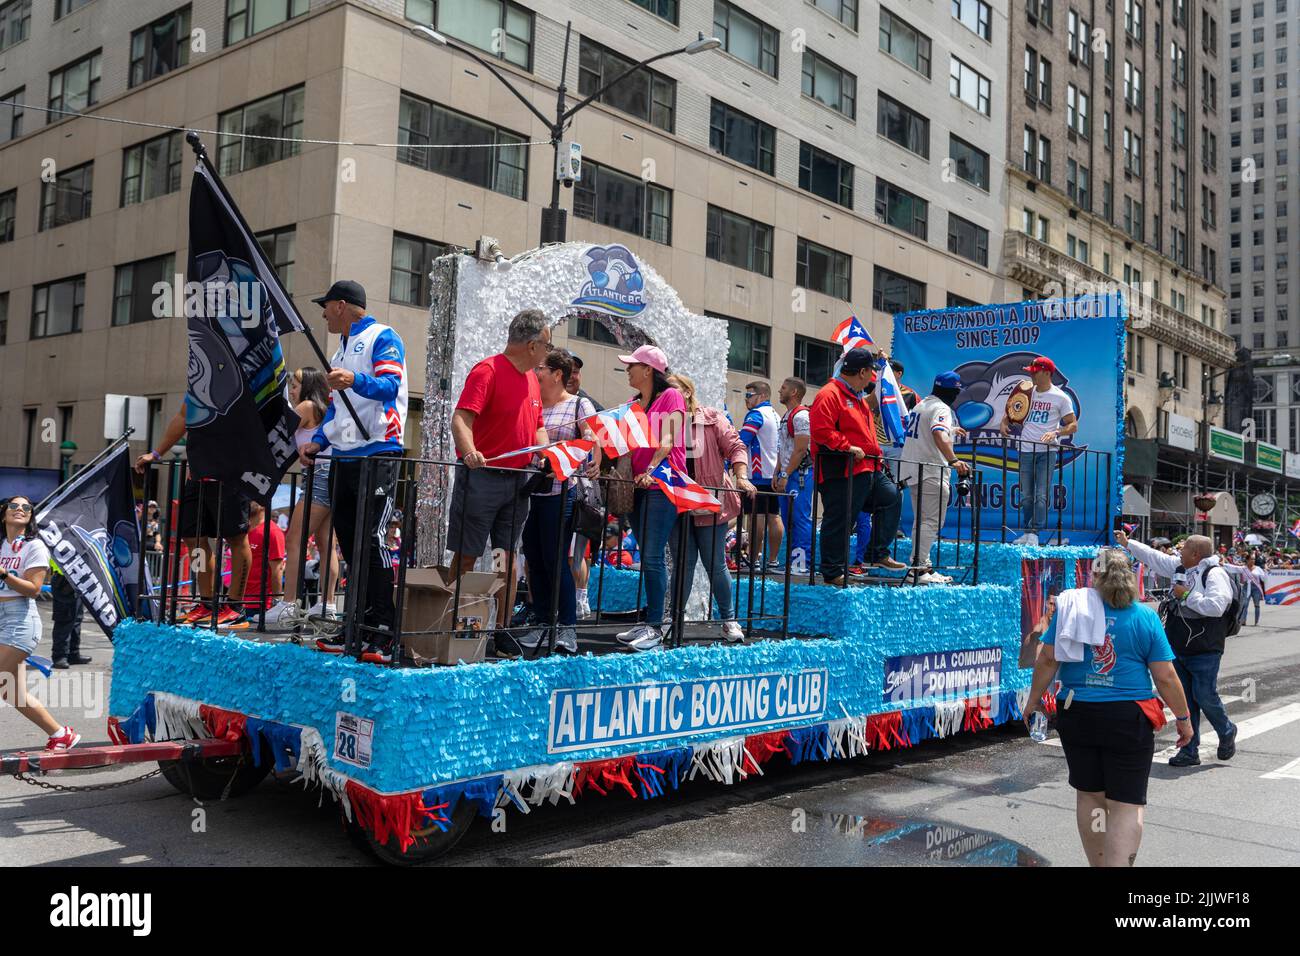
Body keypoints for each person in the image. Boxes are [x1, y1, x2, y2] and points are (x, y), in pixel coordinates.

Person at [1023, 549, 1193, 866]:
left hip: (1078, 713)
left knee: (1091, 796)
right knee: (1126, 803)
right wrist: (1184, 718)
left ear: (1093, 576)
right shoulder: (1144, 616)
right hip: (1128, 718)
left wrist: (1033, 700)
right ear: (1131, 575)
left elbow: (1047, 658)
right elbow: (1166, 677)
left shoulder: (1071, 609)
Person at [299, 280, 408, 662]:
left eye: (326, 306)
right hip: (345, 454)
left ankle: (384, 630)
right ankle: (356, 624)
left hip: (379, 451)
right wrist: (320, 441)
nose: (324, 313)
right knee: (349, 545)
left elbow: (390, 385)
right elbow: (336, 407)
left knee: (373, 540)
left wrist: (354, 379)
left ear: (342, 305)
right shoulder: (340, 348)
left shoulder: (383, 336)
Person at [449, 308, 550, 649]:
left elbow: (537, 426)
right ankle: (448, 622)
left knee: (505, 557)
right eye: (547, 346)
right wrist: (470, 452)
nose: (548, 354)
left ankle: (501, 630)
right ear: (533, 345)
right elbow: (460, 419)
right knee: (466, 553)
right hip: (483, 478)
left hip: (517, 481)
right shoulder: (488, 370)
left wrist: (546, 450)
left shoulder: (531, 379)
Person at [1115, 530, 1237, 768]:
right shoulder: (1182, 567)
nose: (1178, 551)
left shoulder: (1215, 574)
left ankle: (1226, 730)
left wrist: (1187, 595)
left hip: (1205, 647)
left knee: (1204, 695)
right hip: (1179, 643)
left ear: (1195, 554)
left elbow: (1216, 606)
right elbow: (1154, 558)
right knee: (1185, 699)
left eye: (1184, 548)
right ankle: (1190, 750)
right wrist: (1128, 543)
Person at [517, 348, 601, 655]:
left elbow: (592, 438)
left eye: (541, 368)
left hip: (562, 492)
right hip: (531, 491)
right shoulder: (532, 402)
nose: (535, 373)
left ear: (557, 374)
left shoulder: (579, 404)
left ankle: (567, 627)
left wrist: (588, 457)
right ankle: (542, 621)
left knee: (557, 560)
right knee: (534, 559)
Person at [137, 407, 252, 629]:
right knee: (194, 538)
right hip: (198, 475)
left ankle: (236, 607)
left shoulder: (238, 381)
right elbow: (182, 416)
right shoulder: (199, 383)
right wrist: (157, 453)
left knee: (236, 537)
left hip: (232, 475)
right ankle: (208, 602)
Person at [669, 372, 757, 644]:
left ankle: (729, 620)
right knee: (682, 564)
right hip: (676, 503)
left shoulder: (712, 417)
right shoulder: (665, 421)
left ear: (687, 391)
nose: (667, 395)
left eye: (673, 389)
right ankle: (674, 620)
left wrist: (741, 475)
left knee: (715, 564)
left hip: (710, 501)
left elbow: (736, 446)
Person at [809, 348, 905, 585]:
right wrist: (847, 447)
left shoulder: (856, 397)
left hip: (868, 467)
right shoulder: (829, 394)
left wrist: (884, 369)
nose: (872, 378)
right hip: (841, 468)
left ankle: (877, 552)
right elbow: (821, 431)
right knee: (841, 518)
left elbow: (875, 403)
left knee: (892, 497)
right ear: (861, 372)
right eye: (871, 373)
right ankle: (832, 571)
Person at [615, 344, 686, 652]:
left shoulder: (672, 396)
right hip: (637, 486)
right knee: (648, 558)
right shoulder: (633, 402)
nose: (627, 369)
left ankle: (656, 627)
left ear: (648, 370)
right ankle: (650, 623)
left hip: (662, 484)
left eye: (632, 365)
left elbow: (669, 438)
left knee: (653, 557)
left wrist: (653, 469)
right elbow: (623, 443)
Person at [0, 495, 80, 750]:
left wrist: (3, 573)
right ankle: (61, 735)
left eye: (27, 507)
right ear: (4, 514)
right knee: (12, 693)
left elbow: (34, 589)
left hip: (20, 622)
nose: (20, 509)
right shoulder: (1, 545)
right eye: (14, 506)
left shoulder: (34, 547)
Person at [265, 367, 341, 629]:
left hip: (319, 474)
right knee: (324, 543)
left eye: (295, 384)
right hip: (325, 473)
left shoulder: (307, 406)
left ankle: (289, 604)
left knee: (295, 538)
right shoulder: (317, 408)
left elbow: (278, 428)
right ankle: (327, 606)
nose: (292, 389)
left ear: (307, 386)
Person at [897, 371, 971, 585]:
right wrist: (954, 460)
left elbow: (930, 430)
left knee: (922, 521)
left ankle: (923, 566)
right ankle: (918, 570)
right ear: (952, 391)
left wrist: (952, 430)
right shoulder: (941, 407)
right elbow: (938, 434)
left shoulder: (922, 405)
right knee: (930, 521)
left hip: (914, 470)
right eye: (957, 391)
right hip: (931, 471)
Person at [1000, 356, 1078, 546]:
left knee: (1041, 494)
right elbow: (1012, 411)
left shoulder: (1060, 397)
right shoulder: (1027, 392)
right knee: (1026, 494)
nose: (1032, 375)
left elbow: (1073, 425)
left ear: (1047, 373)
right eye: (1031, 372)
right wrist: (1004, 422)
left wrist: (1056, 432)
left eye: (1035, 372)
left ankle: (1035, 531)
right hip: (1025, 448)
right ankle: (1027, 532)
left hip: (1047, 451)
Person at [566, 353, 602, 618]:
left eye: (576, 370)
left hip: (582, 489)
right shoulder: (547, 399)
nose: (572, 375)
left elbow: (599, 439)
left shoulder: (587, 404)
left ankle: (580, 598)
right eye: (568, 370)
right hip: (554, 486)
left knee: (577, 551)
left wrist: (598, 463)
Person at [739, 381, 784, 569]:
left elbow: (742, 442)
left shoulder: (756, 415)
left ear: (762, 396)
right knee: (774, 515)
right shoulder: (776, 415)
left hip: (756, 475)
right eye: (745, 395)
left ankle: (753, 559)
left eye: (750, 395)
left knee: (755, 516)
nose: (746, 399)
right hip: (773, 473)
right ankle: (773, 560)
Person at [774, 377, 813, 572]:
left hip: (801, 476)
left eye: (783, 388)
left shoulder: (801, 416)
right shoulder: (786, 416)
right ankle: (793, 562)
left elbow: (800, 450)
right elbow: (783, 448)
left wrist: (785, 474)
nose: (779, 391)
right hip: (787, 475)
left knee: (800, 519)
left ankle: (801, 564)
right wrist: (777, 472)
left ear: (794, 392)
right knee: (788, 519)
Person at [243, 499, 286, 614]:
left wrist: (276, 602)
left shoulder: (273, 532)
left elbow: (278, 569)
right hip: (238, 600)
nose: (249, 500)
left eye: (253, 498)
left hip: (259, 603)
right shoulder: (243, 528)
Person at [49, 568, 89, 669]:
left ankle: (73, 654)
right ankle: (59, 656)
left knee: (76, 619)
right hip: (64, 578)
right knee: (64, 619)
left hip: (77, 578)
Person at [1240, 553, 1266, 626]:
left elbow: (1263, 579)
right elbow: (1238, 575)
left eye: (1254, 559)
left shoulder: (1258, 568)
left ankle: (1256, 622)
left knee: (1257, 605)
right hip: (1246, 587)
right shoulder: (1243, 568)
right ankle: (1243, 621)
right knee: (1245, 604)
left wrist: (1266, 572)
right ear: (1247, 560)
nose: (1253, 560)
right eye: (1251, 559)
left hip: (1256, 588)